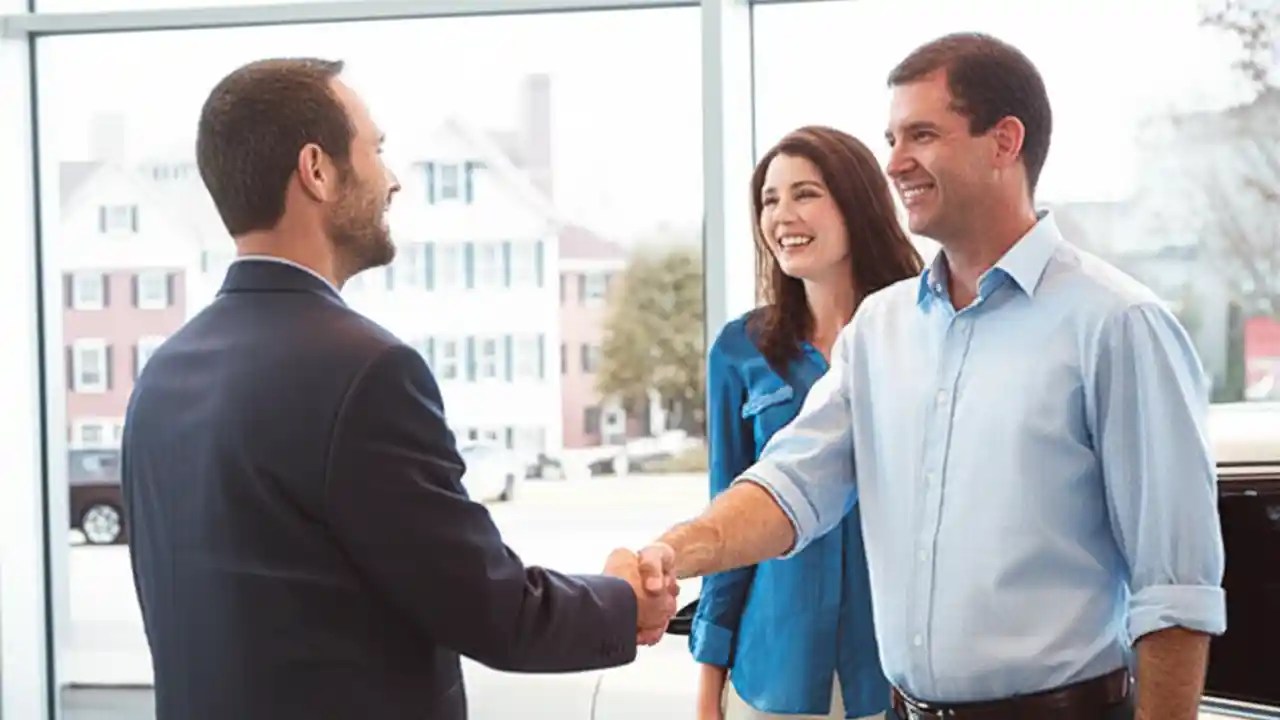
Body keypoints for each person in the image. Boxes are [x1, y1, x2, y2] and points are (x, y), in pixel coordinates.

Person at [636, 32, 1226, 720]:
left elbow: (1175, 590)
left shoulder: (1118, 324)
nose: (893, 163)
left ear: (1005, 141)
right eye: (890, 137)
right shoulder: (881, 330)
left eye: (921, 134)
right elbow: (789, 487)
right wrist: (669, 553)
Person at [121, 57, 675, 720]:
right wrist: (623, 600)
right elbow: (488, 606)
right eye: (377, 150)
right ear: (317, 170)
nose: (393, 180)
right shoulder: (366, 372)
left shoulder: (161, 375)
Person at [692, 126, 922, 720]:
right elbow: (729, 514)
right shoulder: (740, 350)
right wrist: (707, 692)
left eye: (805, 194)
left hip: (900, 677)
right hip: (771, 677)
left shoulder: (924, 335)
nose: (782, 216)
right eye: (769, 200)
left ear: (857, 202)